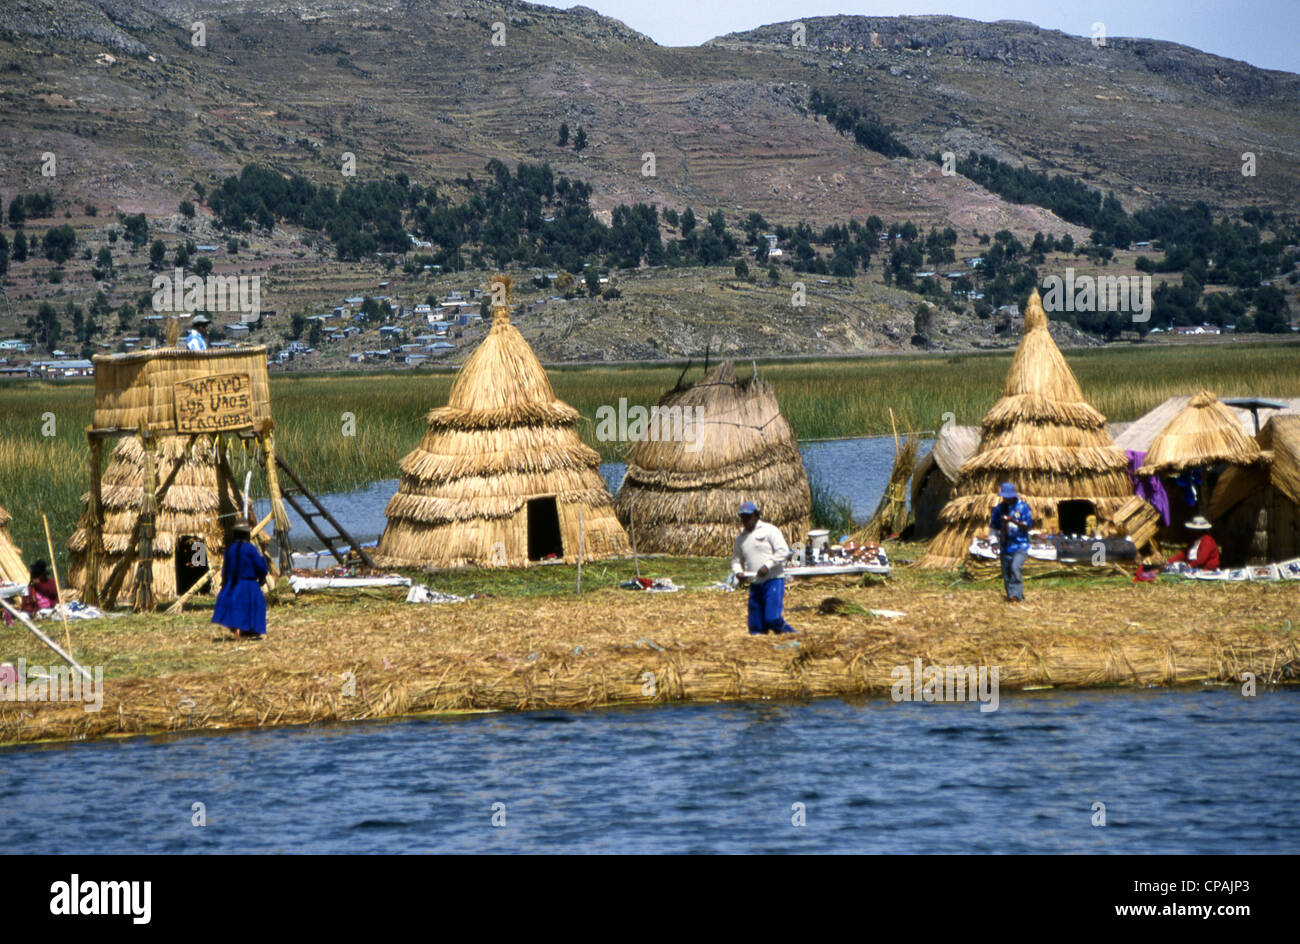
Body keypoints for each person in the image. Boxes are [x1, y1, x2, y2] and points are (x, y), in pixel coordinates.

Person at [731, 501, 796, 635]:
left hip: (773, 580)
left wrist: (767, 566)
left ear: (755, 515)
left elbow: (783, 551)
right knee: (755, 626)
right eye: (743, 517)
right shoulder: (741, 539)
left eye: (748, 516)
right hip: (755, 583)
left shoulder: (769, 530)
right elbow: (736, 561)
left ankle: (792, 635)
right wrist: (739, 573)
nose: (745, 520)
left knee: (772, 618)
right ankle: (760, 649)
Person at [212, 519, 268, 638]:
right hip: (248, 584)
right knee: (252, 605)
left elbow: (225, 570)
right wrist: (262, 577)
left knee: (235, 608)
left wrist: (225, 584)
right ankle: (245, 630)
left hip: (232, 584)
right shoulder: (251, 549)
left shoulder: (229, 550)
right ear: (247, 534)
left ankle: (237, 629)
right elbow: (260, 566)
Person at [990, 482, 1033, 602]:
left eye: (1009, 496)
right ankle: (1011, 595)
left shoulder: (1023, 507)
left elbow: (1027, 526)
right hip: (1005, 546)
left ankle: (1016, 595)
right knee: (1007, 572)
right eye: (1005, 497)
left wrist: (1013, 521)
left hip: (1020, 545)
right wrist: (993, 542)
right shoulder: (999, 509)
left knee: (1015, 567)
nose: (1007, 499)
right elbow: (993, 527)